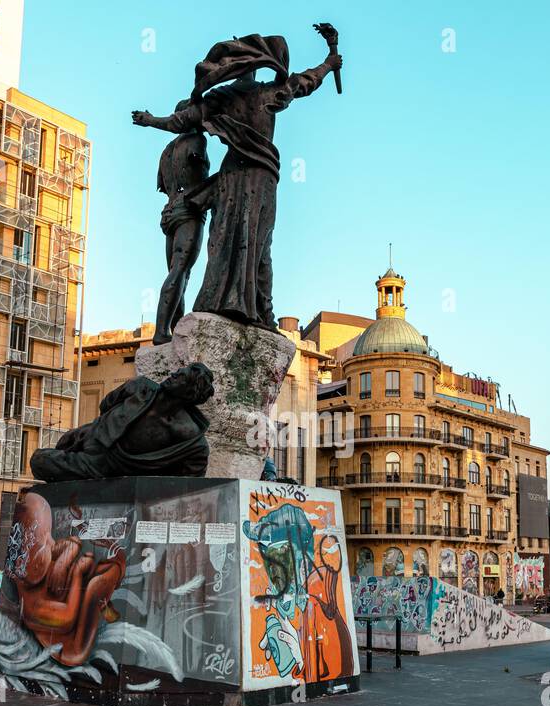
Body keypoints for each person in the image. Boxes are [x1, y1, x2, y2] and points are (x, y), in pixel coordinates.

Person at [133, 34, 341, 331]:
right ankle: (260, 310)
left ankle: (239, 306)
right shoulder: (270, 92)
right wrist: (330, 61)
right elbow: (305, 82)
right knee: (259, 242)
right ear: (256, 67)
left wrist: (151, 120)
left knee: (226, 238)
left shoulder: (220, 99)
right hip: (260, 175)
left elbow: (180, 121)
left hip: (234, 175)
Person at [29, 363, 214, 481]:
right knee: (63, 442)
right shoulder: (141, 387)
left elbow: (189, 483)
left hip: (103, 467)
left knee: (40, 461)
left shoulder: (190, 438)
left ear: (189, 391)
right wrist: (96, 430)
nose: (173, 373)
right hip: (93, 435)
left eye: (180, 376)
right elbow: (106, 405)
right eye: (177, 371)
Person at [149, 101, 212, 345]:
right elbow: (199, 168)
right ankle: (161, 331)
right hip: (189, 209)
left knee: (177, 274)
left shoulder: (166, 151)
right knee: (180, 271)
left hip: (169, 213)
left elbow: (163, 186)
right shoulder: (198, 141)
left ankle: (175, 329)